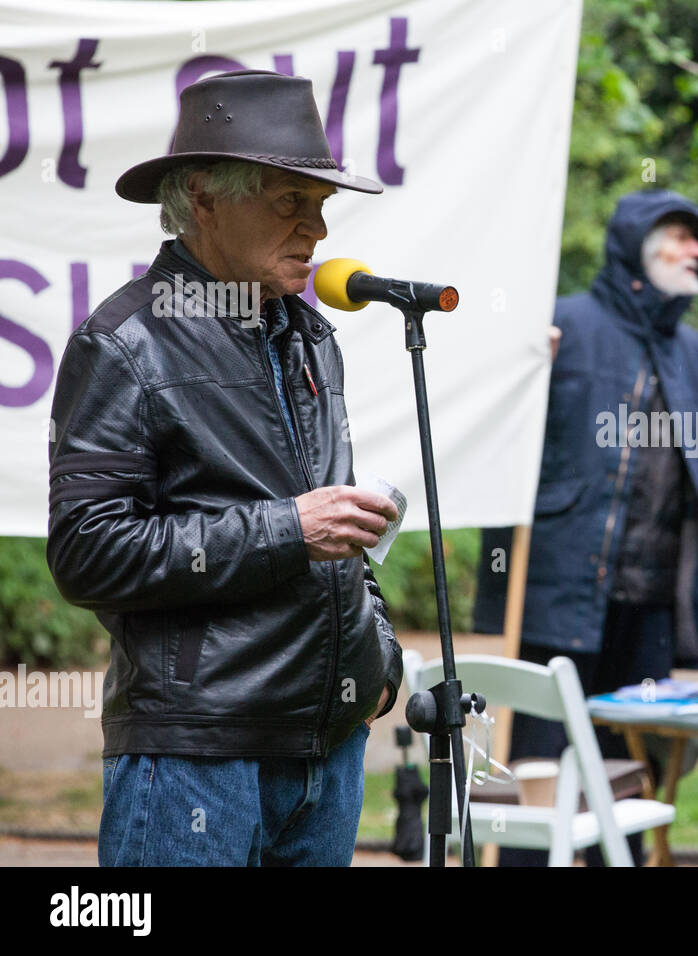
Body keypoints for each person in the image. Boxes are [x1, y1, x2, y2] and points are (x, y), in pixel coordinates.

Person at [46, 70, 402, 866]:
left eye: (320, 207)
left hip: (328, 748)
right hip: (197, 760)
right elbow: (86, 555)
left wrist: (380, 661)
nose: (315, 230)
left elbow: (332, 524)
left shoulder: (311, 336)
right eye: (288, 203)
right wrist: (288, 529)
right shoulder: (124, 342)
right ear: (203, 197)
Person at [507, 189, 698, 865]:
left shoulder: (696, 353)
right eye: (680, 236)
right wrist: (518, 363)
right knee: (531, 781)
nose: (697, 251)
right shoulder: (561, 324)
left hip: (651, 606)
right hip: (553, 590)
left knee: (622, 788)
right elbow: (503, 441)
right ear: (633, 242)